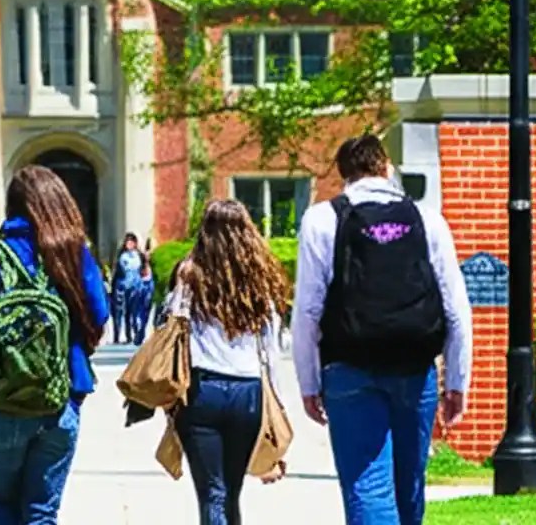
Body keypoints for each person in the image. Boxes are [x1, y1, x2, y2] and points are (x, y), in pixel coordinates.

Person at [292, 135, 472, 525]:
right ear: (386, 167)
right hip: (415, 369)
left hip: (348, 369)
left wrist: (308, 384)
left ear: (344, 176)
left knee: (368, 486)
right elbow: (457, 308)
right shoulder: (426, 219)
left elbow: (307, 311)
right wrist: (456, 382)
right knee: (409, 487)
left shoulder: (322, 219)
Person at [0, 165, 110, 525]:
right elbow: (100, 316)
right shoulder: (74, 256)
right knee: (41, 511)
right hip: (63, 394)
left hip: (3, 397)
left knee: (1, 504)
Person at [160, 200, 291, 525]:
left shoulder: (189, 275)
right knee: (231, 491)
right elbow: (271, 347)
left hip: (203, 389)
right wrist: (275, 399)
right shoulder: (258, 277)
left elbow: (173, 331)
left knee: (212, 493)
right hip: (248, 389)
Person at [111, 233, 144, 344]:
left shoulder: (138, 256)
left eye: (132, 242)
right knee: (119, 312)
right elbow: (119, 271)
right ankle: (117, 335)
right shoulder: (122, 257)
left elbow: (141, 270)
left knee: (132, 312)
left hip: (135, 287)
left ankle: (130, 335)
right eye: (127, 242)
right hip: (122, 287)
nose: (129, 244)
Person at [128, 258, 154, 346]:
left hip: (145, 303)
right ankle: (137, 335)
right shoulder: (137, 279)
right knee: (135, 320)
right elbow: (134, 290)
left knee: (143, 321)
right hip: (137, 302)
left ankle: (139, 336)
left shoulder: (150, 281)